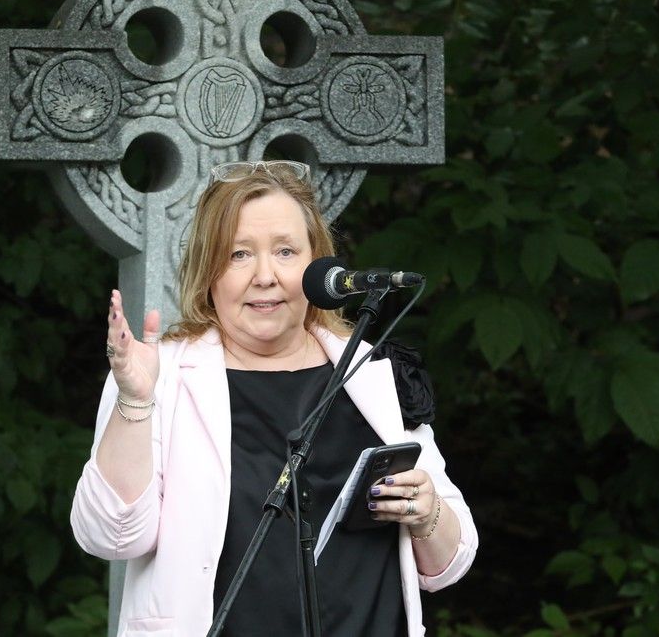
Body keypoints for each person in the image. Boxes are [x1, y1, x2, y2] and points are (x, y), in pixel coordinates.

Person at [71, 160, 478, 637]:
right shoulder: (160, 377)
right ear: (209, 269)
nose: (265, 275)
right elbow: (109, 537)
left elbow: (450, 562)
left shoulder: (372, 374)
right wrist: (135, 402)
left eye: (286, 252)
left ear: (317, 266)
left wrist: (427, 513)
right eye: (239, 254)